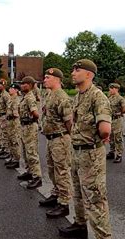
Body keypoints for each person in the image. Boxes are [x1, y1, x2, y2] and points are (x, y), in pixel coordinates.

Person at [58, 59, 113, 239]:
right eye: (72, 69)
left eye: (77, 70)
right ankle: (80, 224)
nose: (73, 72)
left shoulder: (97, 96)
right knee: (79, 192)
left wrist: (102, 134)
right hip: (77, 151)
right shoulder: (79, 96)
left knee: (96, 198)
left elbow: (105, 128)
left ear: (89, 74)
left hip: (91, 154)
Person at [40, 68, 73, 219]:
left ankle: (64, 203)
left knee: (62, 171)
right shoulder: (49, 95)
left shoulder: (62, 97)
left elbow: (69, 123)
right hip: (51, 138)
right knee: (52, 169)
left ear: (57, 79)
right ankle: (56, 194)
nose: (44, 80)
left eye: (47, 77)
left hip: (60, 138)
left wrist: (68, 139)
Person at [17, 76, 43, 189]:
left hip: (30, 126)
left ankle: (37, 177)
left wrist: (31, 118)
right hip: (24, 127)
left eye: (24, 84)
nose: (22, 85)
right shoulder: (25, 97)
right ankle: (29, 172)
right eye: (21, 84)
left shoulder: (30, 97)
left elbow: (36, 113)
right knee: (25, 151)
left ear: (30, 85)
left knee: (31, 152)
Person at [106, 83, 125, 163]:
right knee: (111, 136)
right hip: (110, 119)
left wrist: (119, 113)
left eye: (112, 88)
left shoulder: (120, 98)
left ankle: (119, 154)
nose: (110, 90)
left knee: (118, 137)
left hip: (117, 120)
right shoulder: (109, 97)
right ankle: (112, 151)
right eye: (110, 88)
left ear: (116, 89)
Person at [4, 83, 22, 169]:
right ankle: (12, 157)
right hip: (9, 122)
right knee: (10, 140)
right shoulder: (11, 99)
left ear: (16, 90)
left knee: (15, 141)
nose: (10, 89)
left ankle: (16, 160)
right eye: (10, 88)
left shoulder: (16, 100)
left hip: (14, 123)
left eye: (12, 88)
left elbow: (16, 114)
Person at [0, 79, 11, 157]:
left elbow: (9, 106)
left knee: (5, 134)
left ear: (3, 86)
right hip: (0, 115)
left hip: (4, 116)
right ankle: (4, 148)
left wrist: (7, 117)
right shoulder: (0, 94)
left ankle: (7, 151)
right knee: (2, 133)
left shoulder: (5, 95)